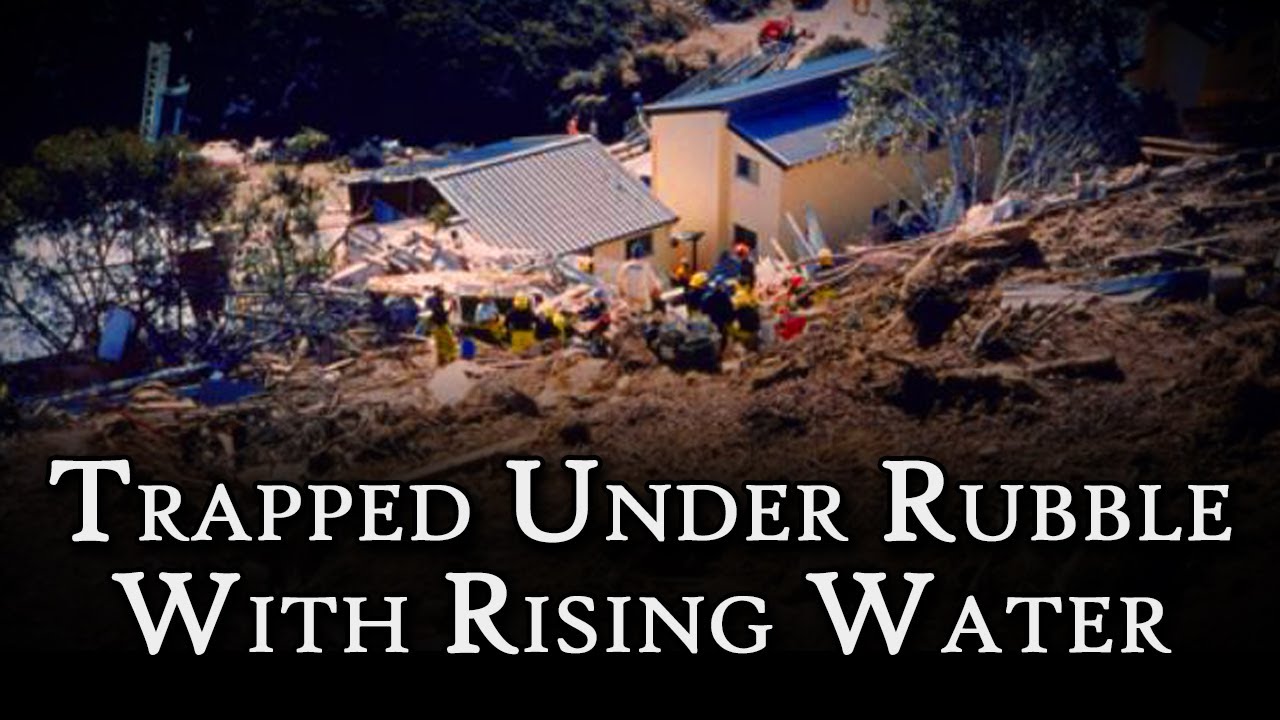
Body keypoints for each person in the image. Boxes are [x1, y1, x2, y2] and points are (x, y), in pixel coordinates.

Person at [615, 246, 663, 313]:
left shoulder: (625, 266)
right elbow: (655, 283)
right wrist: (657, 290)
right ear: (642, 255)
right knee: (648, 308)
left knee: (631, 310)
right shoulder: (646, 266)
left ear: (632, 254)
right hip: (643, 297)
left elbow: (619, 282)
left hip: (630, 297)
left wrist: (621, 294)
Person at [421, 287, 458, 367]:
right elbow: (440, 314)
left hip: (434, 324)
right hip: (439, 324)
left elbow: (428, 312)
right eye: (442, 295)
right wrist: (450, 309)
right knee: (448, 340)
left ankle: (442, 360)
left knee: (440, 342)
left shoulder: (430, 299)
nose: (443, 297)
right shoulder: (436, 301)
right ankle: (449, 358)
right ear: (440, 294)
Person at [702, 279, 736, 354]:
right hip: (726, 320)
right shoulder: (725, 296)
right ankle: (725, 351)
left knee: (719, 336)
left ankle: (720, 351)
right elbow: (730, 307)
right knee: (727, 335)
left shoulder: (709, 298)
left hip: (715, 321)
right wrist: (732, 317)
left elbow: (705, 310)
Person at [731, 281, 761, 351]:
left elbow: (734, 323)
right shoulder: (752, 309)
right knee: (754, 349)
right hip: (754, 331)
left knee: (748, 349)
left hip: (745, 333)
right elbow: (757, 319)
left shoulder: (737, 312)